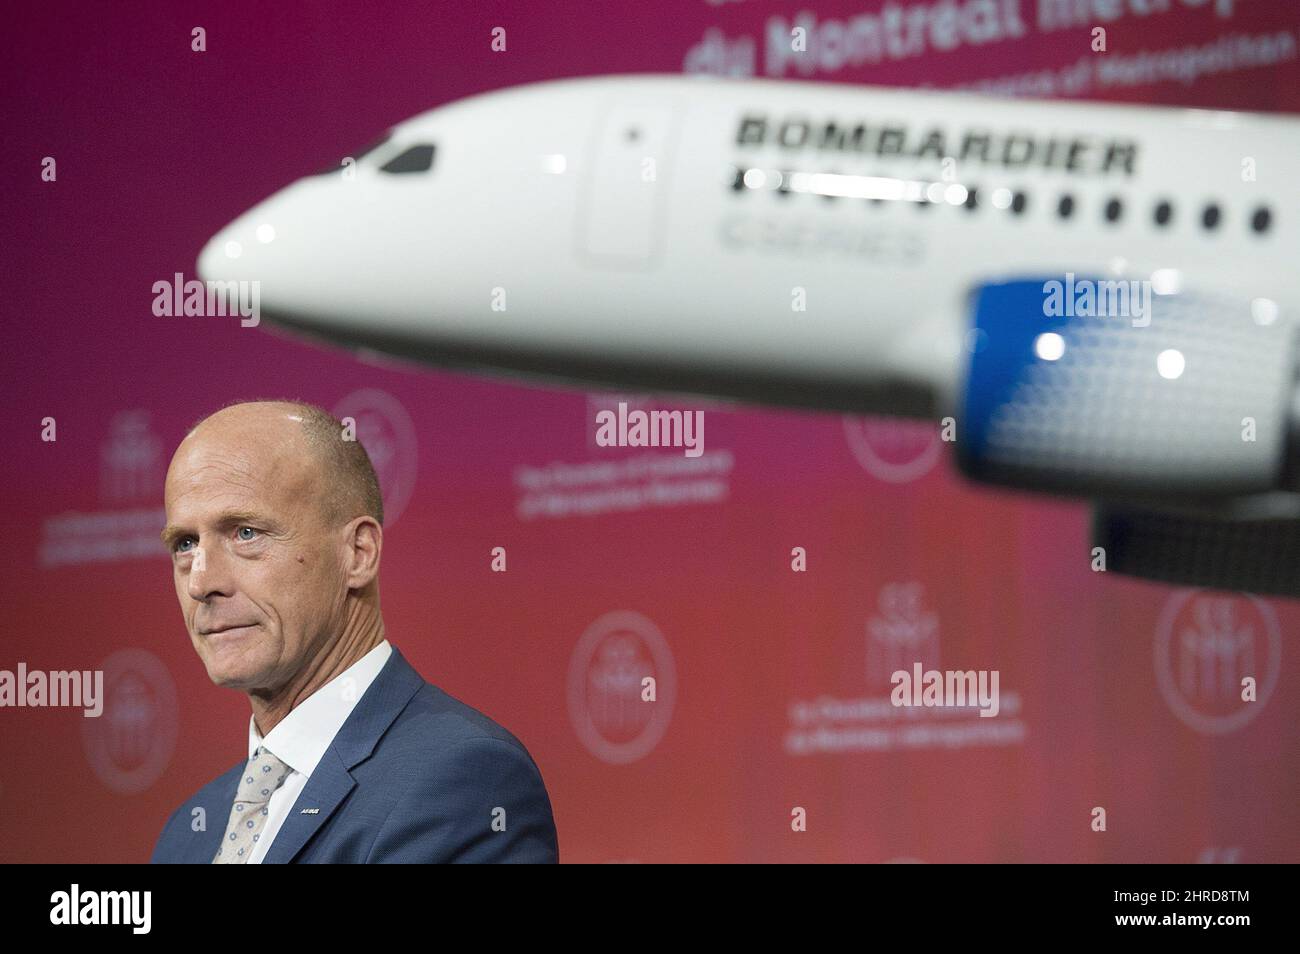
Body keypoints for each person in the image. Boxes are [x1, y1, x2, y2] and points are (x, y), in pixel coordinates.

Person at [149, 399, 557, 863]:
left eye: (246, 533)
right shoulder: (189, 834)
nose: (202, 582)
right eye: (185, 544)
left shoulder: (465, 779)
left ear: (358, 553)